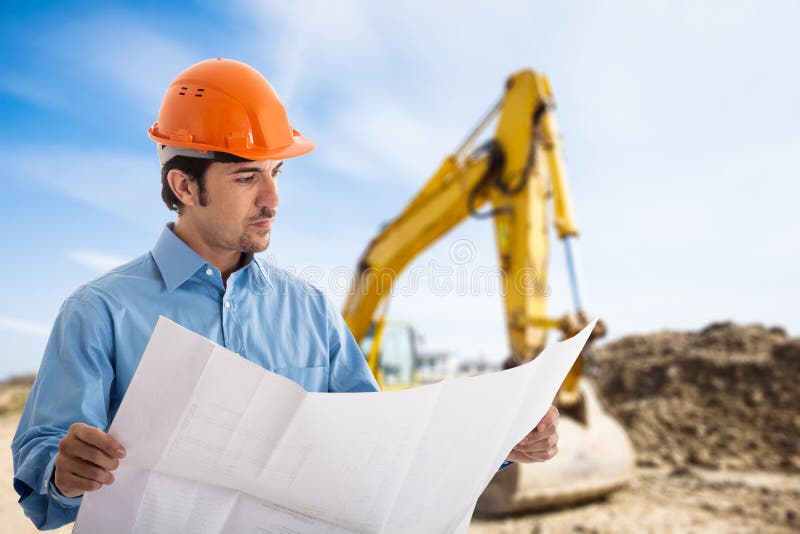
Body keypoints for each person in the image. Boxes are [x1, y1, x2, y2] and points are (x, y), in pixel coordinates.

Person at [11, 58, 560, 530]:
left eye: (276, 173)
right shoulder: (100, 311)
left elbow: (378, 454)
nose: (273, 198)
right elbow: (43, 468)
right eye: (248, 178)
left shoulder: (311, 311)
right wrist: (63, 472)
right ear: (184, 186)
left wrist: (497, 444)